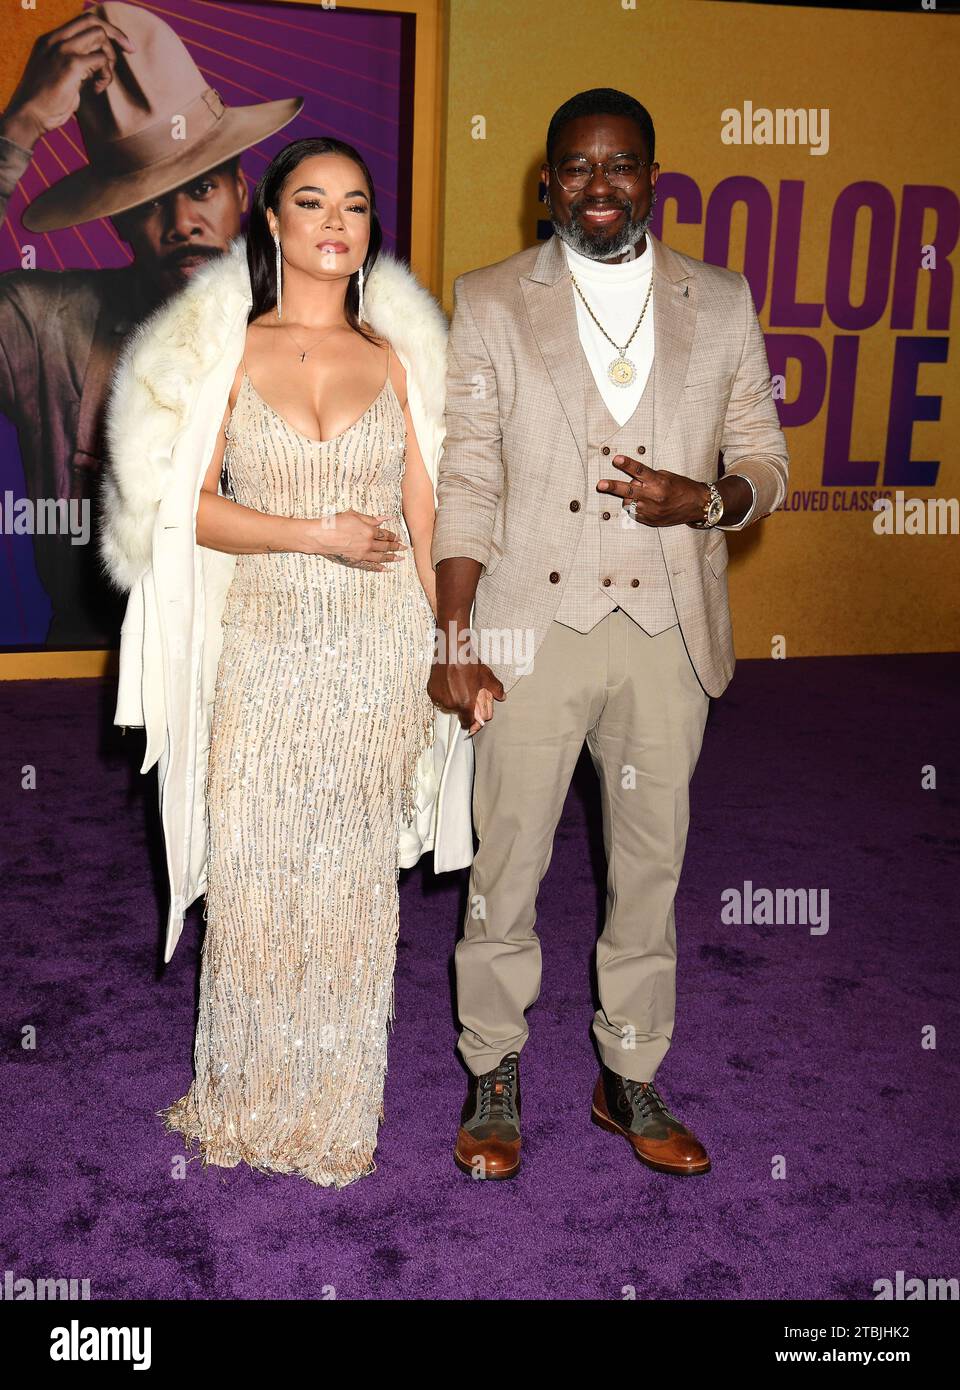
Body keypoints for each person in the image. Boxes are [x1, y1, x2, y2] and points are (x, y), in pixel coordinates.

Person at [99, 137, 475, 1187]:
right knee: (261, 869)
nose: (335, 221)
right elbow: (188, 511)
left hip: (378, 652)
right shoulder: (230, 351)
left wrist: (457, 648)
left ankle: (335, 1104)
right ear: (271, 221)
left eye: (354, 204)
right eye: (311, 201)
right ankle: (245, 1090)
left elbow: (428, 513)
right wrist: (315, 533)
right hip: (266, 644)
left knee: (351, 885)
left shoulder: (397, 356)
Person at [428, 88, 789, 1180]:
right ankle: (493, 1068)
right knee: (508, 862)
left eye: (619, 165)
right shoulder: (488, 299)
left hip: (667, 628)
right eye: (576, 168)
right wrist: (454, 634)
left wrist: (712, 501)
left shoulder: (719, 301)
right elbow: (470, 475)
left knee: (651, 864)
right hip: (531, 627)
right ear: (547, 183)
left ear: (652, 177)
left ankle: (627, 1074)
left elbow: (767, 459)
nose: (598, 186)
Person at [0, 1, 301, 645]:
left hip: (263, 677)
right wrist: (21, 124)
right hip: (87, 677)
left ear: (242, 195)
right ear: (114, 218)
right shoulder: (44, 325)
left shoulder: (318, 326)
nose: (181, 225)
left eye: (201, 190)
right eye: (149, 203)